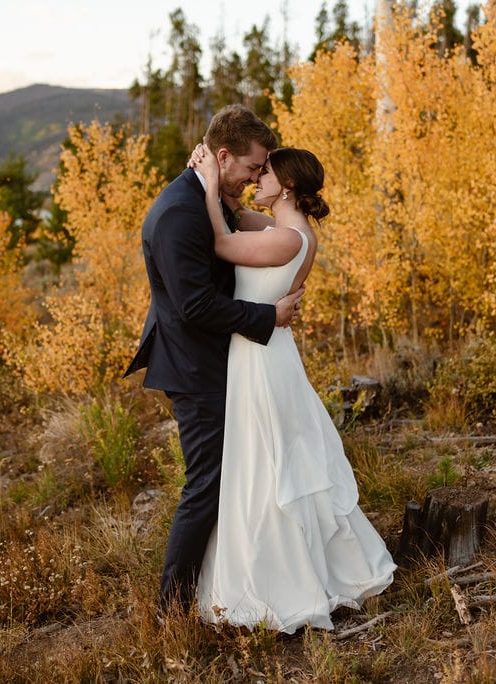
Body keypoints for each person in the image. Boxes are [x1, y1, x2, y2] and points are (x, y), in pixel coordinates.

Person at [190, 143, 396, 633]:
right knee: (263, 461)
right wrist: (223, 186)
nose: (258, 177)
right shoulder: (285, 228)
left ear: (289, 184)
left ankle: (282, 582)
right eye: (257, 170)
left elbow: (222, 242)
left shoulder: (290, 239)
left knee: (268, 465)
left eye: (266, 172)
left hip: (262, 361)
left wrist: (208, 184)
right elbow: (239, 218)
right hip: (261, 352)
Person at [123, 105, 304, 613]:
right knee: (205, 484)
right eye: (251, 167)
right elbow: (193, 304)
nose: (254, 178)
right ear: (222, 157)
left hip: (215, 360)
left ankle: (224, 585)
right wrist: (268, 317)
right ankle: (172, 609)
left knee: (226, 477)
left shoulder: (206, 197)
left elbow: (239, 234)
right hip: (194, 366)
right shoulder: (180, 212)